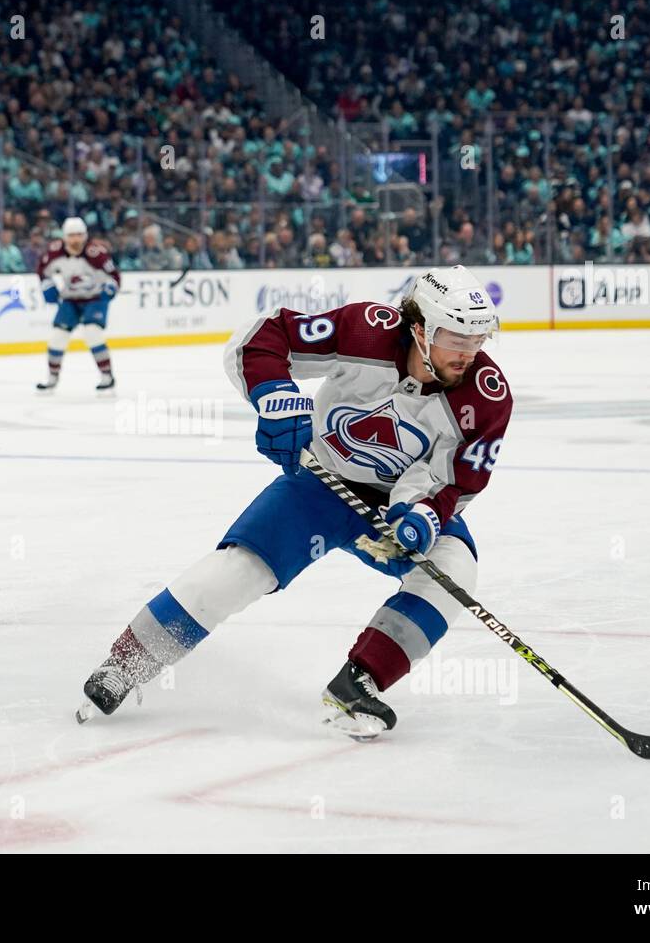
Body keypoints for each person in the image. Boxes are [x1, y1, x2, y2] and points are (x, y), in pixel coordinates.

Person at [78, 266, 512, 741]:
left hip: (392, 509)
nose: (469, 353)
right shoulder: (364, 330)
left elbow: (458, 480)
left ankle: (359, 681)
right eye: (456, 338)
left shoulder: (487, 396)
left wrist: (422, 514)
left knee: (454, 573)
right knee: (238, 570)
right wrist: (276, 397)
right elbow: (261, 338)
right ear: (420, 328)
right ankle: (127, 663)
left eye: (478, 339)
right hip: (321, 485)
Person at [35, 217, 120, 393]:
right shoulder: (54, 252)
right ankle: (52, 378)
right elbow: (42, 273)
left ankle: (107, 376)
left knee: (92, 333)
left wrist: (110, 289)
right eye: (72, 235)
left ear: (85, 236)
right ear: (65, 237)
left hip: (94, 299)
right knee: (58, 337)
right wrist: (48, 286)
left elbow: (114, 276)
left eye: (80, 235)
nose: (76, 240)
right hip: (70, 300)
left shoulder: (96, 254)